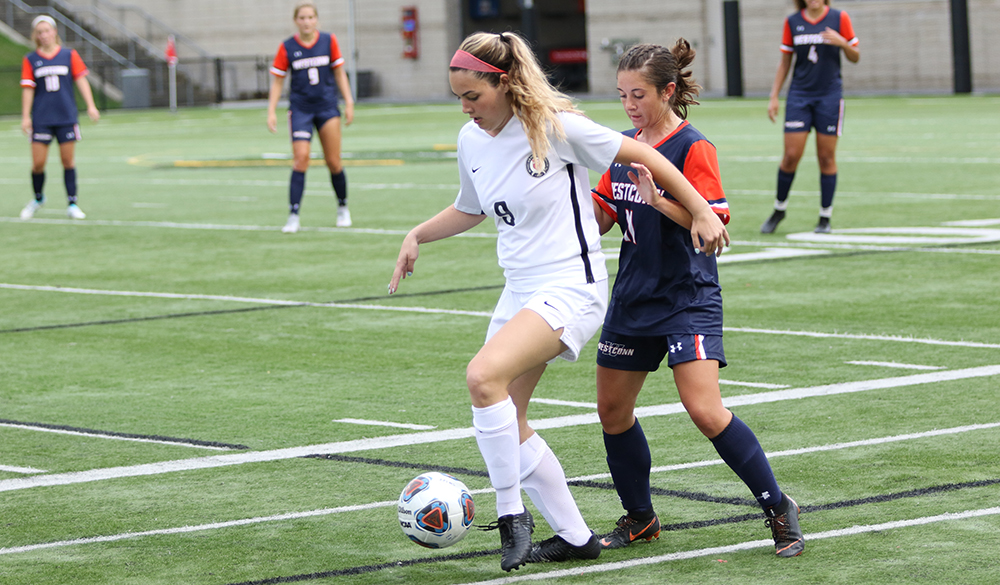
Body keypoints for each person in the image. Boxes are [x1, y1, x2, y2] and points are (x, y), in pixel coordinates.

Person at [389, 32, 728, 572]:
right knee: (506, 414)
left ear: (503, 83)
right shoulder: (471, 139)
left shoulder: (554, 126)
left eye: (473, 96)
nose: (466, 108)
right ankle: (576, 536)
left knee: (482, 377)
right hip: (519, 289)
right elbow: (470, 208)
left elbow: (643, 153)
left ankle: (511, 515)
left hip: (572, 286)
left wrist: (702, 211)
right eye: (459, 98)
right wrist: (417, 235)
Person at [591, 41, 804, 558]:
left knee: (706, 411)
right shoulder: (622, 147)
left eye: (638, 95)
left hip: (687, 297)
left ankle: (779, 506)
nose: (629, 105)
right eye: (621, 95)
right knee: (612, 412)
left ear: (668, 91)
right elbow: (600, 220)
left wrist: (659, 200)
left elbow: (711, 226)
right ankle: (641, 518)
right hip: (632, 298)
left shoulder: (693, 146)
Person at [761, 0, 859, 235]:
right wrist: (774, 96)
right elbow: (785, 62)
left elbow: (855, 56)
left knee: (826, 157)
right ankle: (779, 209)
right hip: (799, 97)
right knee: (790, 156)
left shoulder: (840, 18)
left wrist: (842, 43)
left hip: (829, 97)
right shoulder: (793, 21)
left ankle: (825, 217)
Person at [267, 1, 354, 233]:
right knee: (301, 158)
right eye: (302, 18)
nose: (306, 22)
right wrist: (271, 110)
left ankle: (342, 207)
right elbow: (278, 81)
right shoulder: (287, 46)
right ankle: (293, 215)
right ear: (296, 21)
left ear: (317, 20)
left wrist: (349, 101)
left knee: (333, 161)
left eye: (310, 17)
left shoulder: (328, 40)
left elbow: (339, 73)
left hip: (327, 108)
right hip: (301, 109)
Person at [19, 14, 100, 221]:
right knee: (38, 164)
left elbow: (81, 79)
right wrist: (26, 116)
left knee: (68, 161)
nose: (44, 35)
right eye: (40, 32)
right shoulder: (31, 59)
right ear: (36, 35)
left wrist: (91, 105)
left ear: (54, 32)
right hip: (42, 119)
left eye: (47, 31)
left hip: (66, 116)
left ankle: (72, 204)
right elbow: (28, 89)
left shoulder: (69, 55)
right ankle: (38, 198)